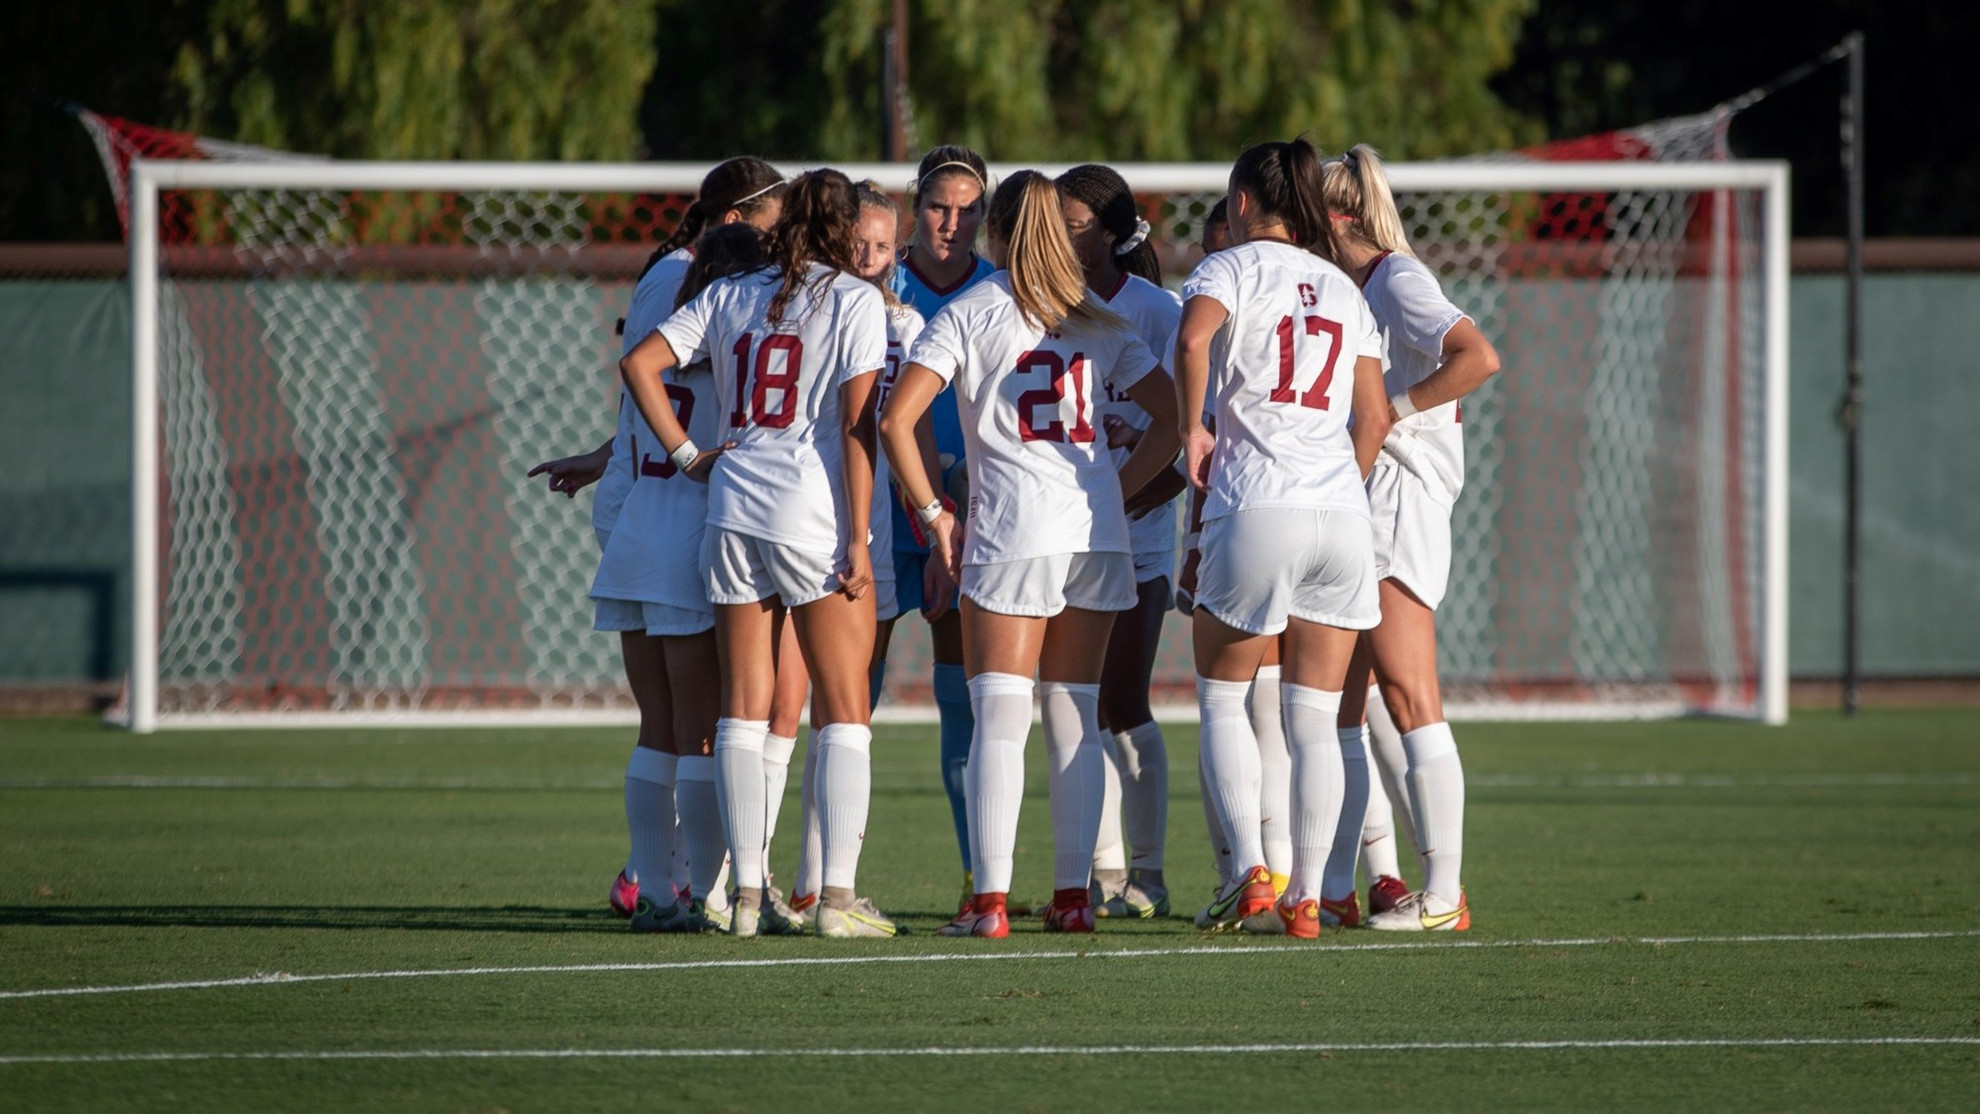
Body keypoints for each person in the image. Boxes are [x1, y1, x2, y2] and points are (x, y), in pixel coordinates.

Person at [882, 171, 1180, 939]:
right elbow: (1174, 425)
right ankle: (1073, 898)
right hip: (1093, 534)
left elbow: (897, 419)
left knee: (1000, 720)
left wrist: (933, 516)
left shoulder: (972, 311)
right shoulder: (1098, 317)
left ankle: (988, 904)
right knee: (1075, 713)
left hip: (1012, 533)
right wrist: (1116, 486)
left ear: (996, 234)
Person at [620, 168, 898, 939]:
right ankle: (836, 901)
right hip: (808, 507)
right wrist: (859, 537)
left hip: (732, 502)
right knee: (843, 708)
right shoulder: (853, 298)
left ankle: (743, 897)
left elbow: (639, 364)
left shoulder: (731, 291)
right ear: (845, 232)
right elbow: (855, 426)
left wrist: (685, 455)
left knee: (740, 710)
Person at [527, 157, 784, 932]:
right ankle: (694, 894)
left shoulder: (662, 311)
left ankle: (657, 890)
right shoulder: (733, 344)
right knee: (702, 732)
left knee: (658, 731)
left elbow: (639, 400)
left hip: (637, 529)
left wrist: (610, 455)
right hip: (684, 543)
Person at [1175, 138, 1392, 939]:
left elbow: (1193, 339)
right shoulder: (1344, 286)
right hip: (1340, 513)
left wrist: (1191, 430)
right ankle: (1309, 895)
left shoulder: (1225, 267)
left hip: (1256, 505)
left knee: (1224, 698)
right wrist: (1334, 483)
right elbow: (1372, 419)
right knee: (1316, 720)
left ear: (1238, 204)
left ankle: (1249, 882)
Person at [1319, 145, 1501, 932]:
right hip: (1369, 499)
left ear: (1336, 217)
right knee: (1345, 706)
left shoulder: (1397, 278)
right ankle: (1345, 885)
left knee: (1409, 693)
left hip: (1401, 500)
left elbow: (1478, 356)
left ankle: (1444, 895)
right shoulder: (1359, 287)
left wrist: (1392, 408)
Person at [790, 180, 930, 916]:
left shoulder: (904, 324)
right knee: (794, 703)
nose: (870, 257)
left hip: (870, 525)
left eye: (882, 245)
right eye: (859, 243)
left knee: (848, 701)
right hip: (814, 519)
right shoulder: (812, 307)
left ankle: (815, 877)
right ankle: (804, 883)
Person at [1054, 164, 1185, 920]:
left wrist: (1119, 501)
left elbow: (1181, 441)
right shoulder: (1044, 307)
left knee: (1123, 699)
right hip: (1064, 536)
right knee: (1072, 703)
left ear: (1110, 231)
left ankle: (1149, 873)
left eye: (1075, 226)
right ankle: (1097, 874)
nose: (1064, 240)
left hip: (1135, 536)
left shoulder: (1154, 312)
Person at [886, 145, 999, 909]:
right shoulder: (873, 279)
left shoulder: (1002, 291)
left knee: (963, 702)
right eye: (938, 206)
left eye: (968, 210)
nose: (952, 223)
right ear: (912, 205)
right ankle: (812, 882)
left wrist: (950, 512)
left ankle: (974, 877)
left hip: (965, 524)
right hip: (867, 511)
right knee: (840, 704)